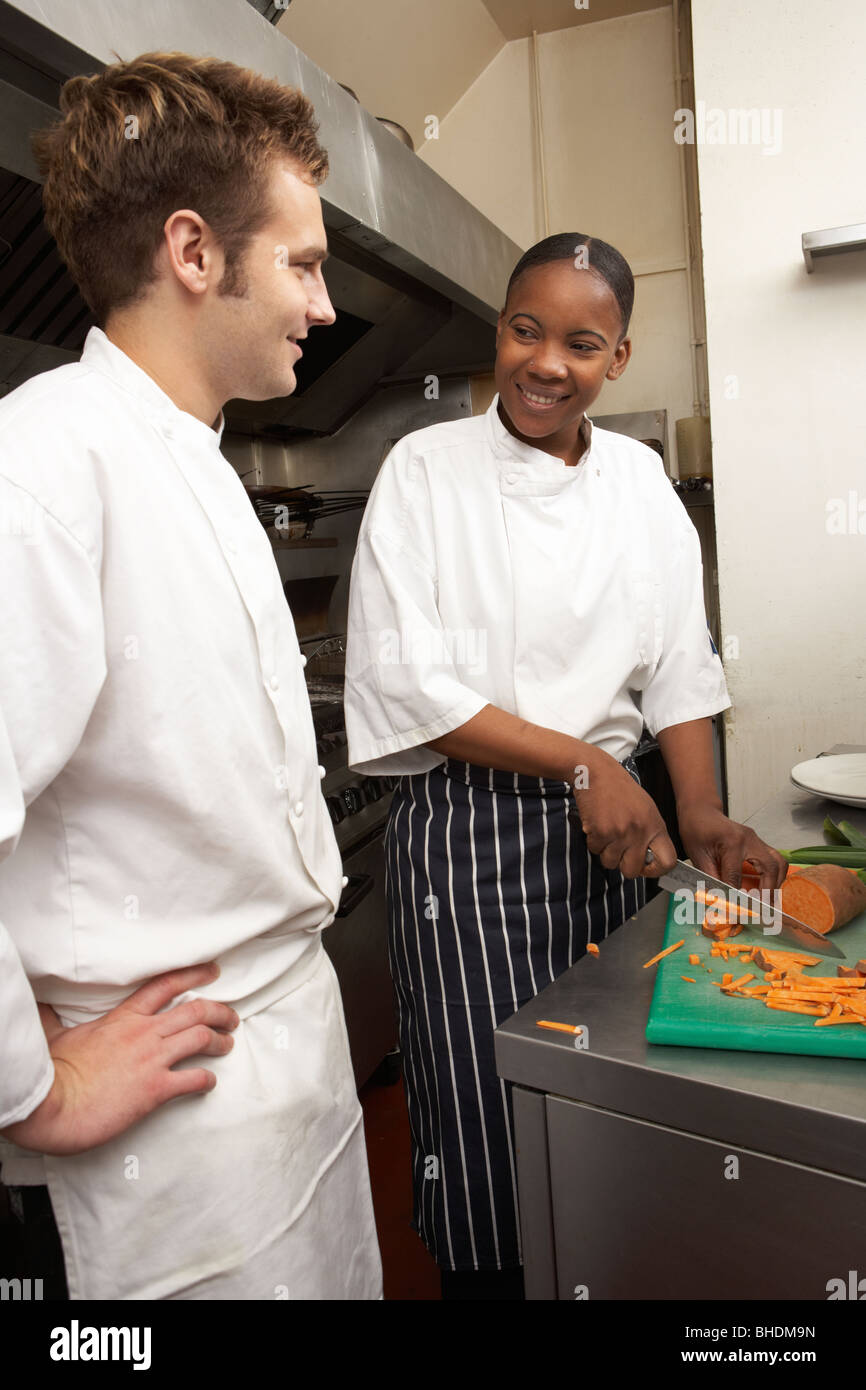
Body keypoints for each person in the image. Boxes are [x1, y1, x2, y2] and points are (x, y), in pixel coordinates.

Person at [0, 52, 382, 1301]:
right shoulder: (46, 463)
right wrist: (32, 1088)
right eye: (304, 263)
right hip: (169, 1133)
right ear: (194, 252)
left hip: (285, 1073)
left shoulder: (202, 459)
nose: (322, 308)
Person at [343, 232, 786, 1300]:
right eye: (523, 330)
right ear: (499, 328)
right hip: (471, 843)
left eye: (579, 343)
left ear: (617, 359)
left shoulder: (637, 483)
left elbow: (677, 669)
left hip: (624, 835)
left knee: (619, 1094)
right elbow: (418, 690)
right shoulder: (424, 473)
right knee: (485, 1113)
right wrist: (581, 761)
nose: (545, 362)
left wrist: (702, 811)